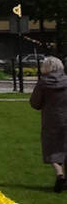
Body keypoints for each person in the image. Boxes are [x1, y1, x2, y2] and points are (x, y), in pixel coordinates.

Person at [29, 56, 67, 192]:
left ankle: (59, 173)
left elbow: (35, 103)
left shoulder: (43, 83)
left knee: (51, 148)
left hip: (52, 120)